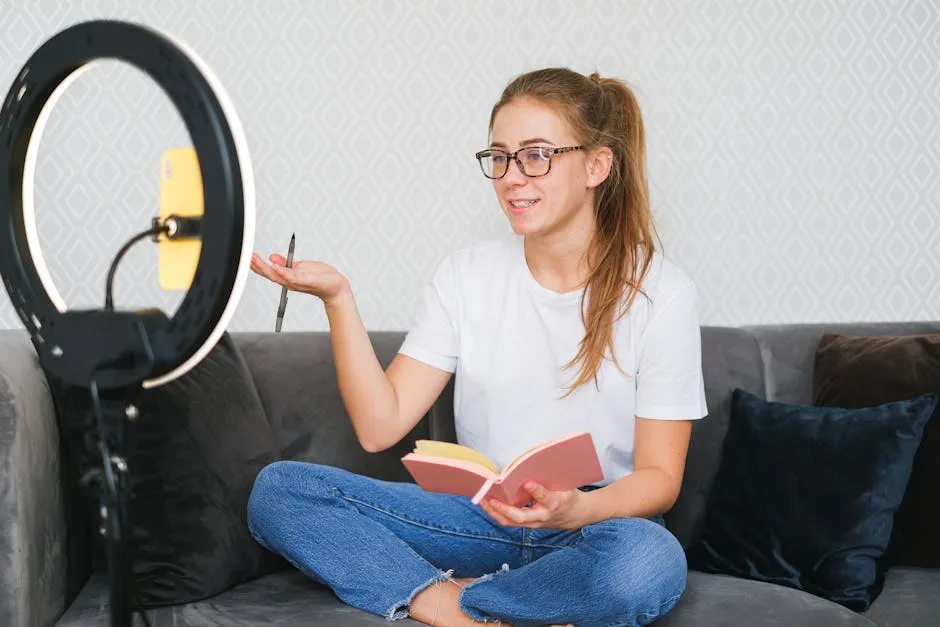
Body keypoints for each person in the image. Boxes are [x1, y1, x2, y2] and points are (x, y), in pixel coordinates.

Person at [246, 67, 707, 627]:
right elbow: (379, 426)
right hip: (479, 520)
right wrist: (339, 299)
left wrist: (578, 508)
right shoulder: (465, 276)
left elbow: (660, 478)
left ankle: (471, 596)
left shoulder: (662, 293)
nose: (513, 177)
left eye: (537, 155)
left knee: (648, 562)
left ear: (596, 165)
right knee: (281, 491)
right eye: (500, 157)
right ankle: (444, 602)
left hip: (596, 524)